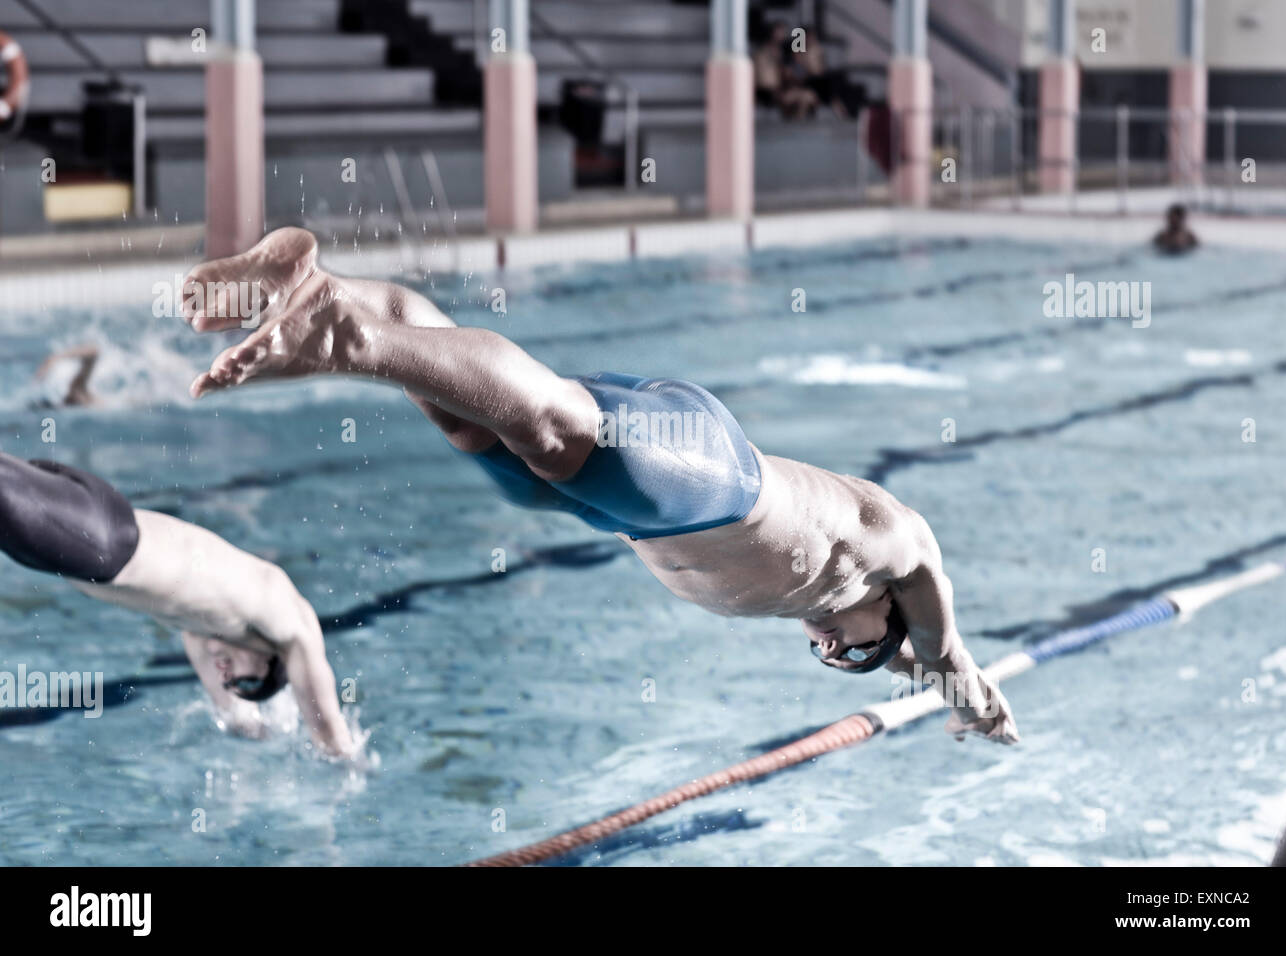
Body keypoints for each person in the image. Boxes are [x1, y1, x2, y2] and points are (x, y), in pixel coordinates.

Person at [180, 227, 1019, 745]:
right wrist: (982, 706)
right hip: (714, 479)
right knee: (553, 431)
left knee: (469, 422)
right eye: (862, 646)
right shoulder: (894, 549)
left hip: (625, 510)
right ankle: (344, 334)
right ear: (891, 607)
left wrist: (910, 672)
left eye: (836, 662)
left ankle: (321, 291)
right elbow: (941, 651)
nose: (834, 649)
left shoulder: (839, 604)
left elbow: (908, 657)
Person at [0, 450, 356, 756]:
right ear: (269, 659)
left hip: (74, 549)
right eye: (247, 684)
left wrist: (255, 731)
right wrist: (349, 764)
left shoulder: (201, 628)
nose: (230, 684)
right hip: (100, 539)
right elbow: (327, 730)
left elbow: (235, 716)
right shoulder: (284, 614)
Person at [754, 21, 819, 120]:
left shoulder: (787, 52)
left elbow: (797, 73)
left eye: (783, 32)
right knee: (794, 98)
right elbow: (766, 79)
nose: (783, 35)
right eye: (780, 32)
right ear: (771, 33)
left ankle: (797, 122)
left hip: (787, 87)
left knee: (807, 96)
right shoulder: (762, 53)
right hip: (768, 90)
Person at [34, 344, 100, 407]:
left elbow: (93, 351)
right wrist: (55, 358)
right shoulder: (79, 393)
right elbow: (93, 351)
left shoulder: (79, 394)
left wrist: (55, 358)